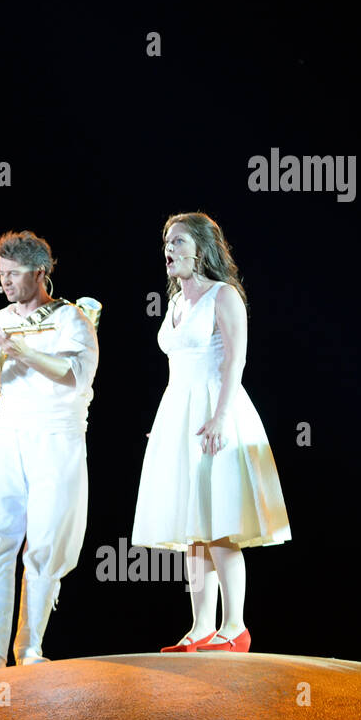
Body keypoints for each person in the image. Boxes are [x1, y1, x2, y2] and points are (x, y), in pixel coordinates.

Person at [132, 212, 291, 653]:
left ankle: (234, 626)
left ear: (201, 248)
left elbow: (234, 362)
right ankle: (200, 627)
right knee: (193, 529)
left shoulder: (224, 296)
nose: (170, 250)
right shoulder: (175, 303)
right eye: (167, 242)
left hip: (216, 411)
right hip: (180, 413)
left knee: (220, 522)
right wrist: (164, 426)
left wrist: (220, 418)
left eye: (179, 242)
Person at [0, 230, 99, 673]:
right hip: (8, 436)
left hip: (57, 439)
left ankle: (29, 648)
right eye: (1, 275)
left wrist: (20, 351)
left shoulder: (72, 319)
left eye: (13, 274)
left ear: (40, 272)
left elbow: (76, 376)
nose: (5, 284)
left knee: (47, 538)